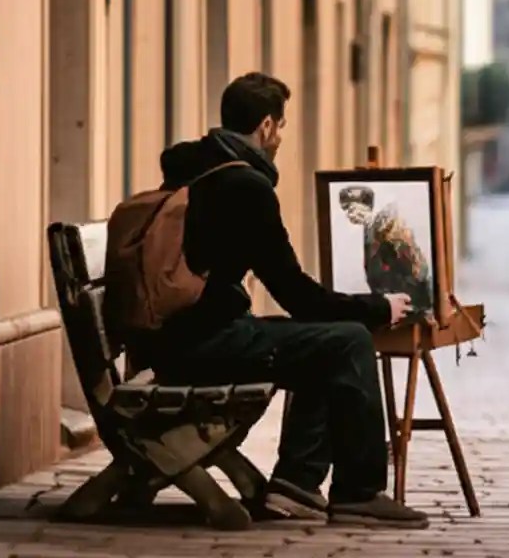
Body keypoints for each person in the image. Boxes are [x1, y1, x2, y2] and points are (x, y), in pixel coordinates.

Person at [150, 72, 428, 529]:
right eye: (280, 127)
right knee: (350, 340)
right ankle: (358, 491)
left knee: (321, 341)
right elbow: (298, 296)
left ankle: (296, 485)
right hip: (204, 342)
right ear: (264, 126)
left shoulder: (191, 168)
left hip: (173, 336)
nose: (280, 139)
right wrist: (377, 308)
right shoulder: (244, 187)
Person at [337, 186, 434, 319]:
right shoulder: (369, 232)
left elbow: (418, 270)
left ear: (367, 208)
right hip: (391, 305)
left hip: (409, 306)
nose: (350, 214)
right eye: (347, 210)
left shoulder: (390, 229)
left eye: (353, 209)